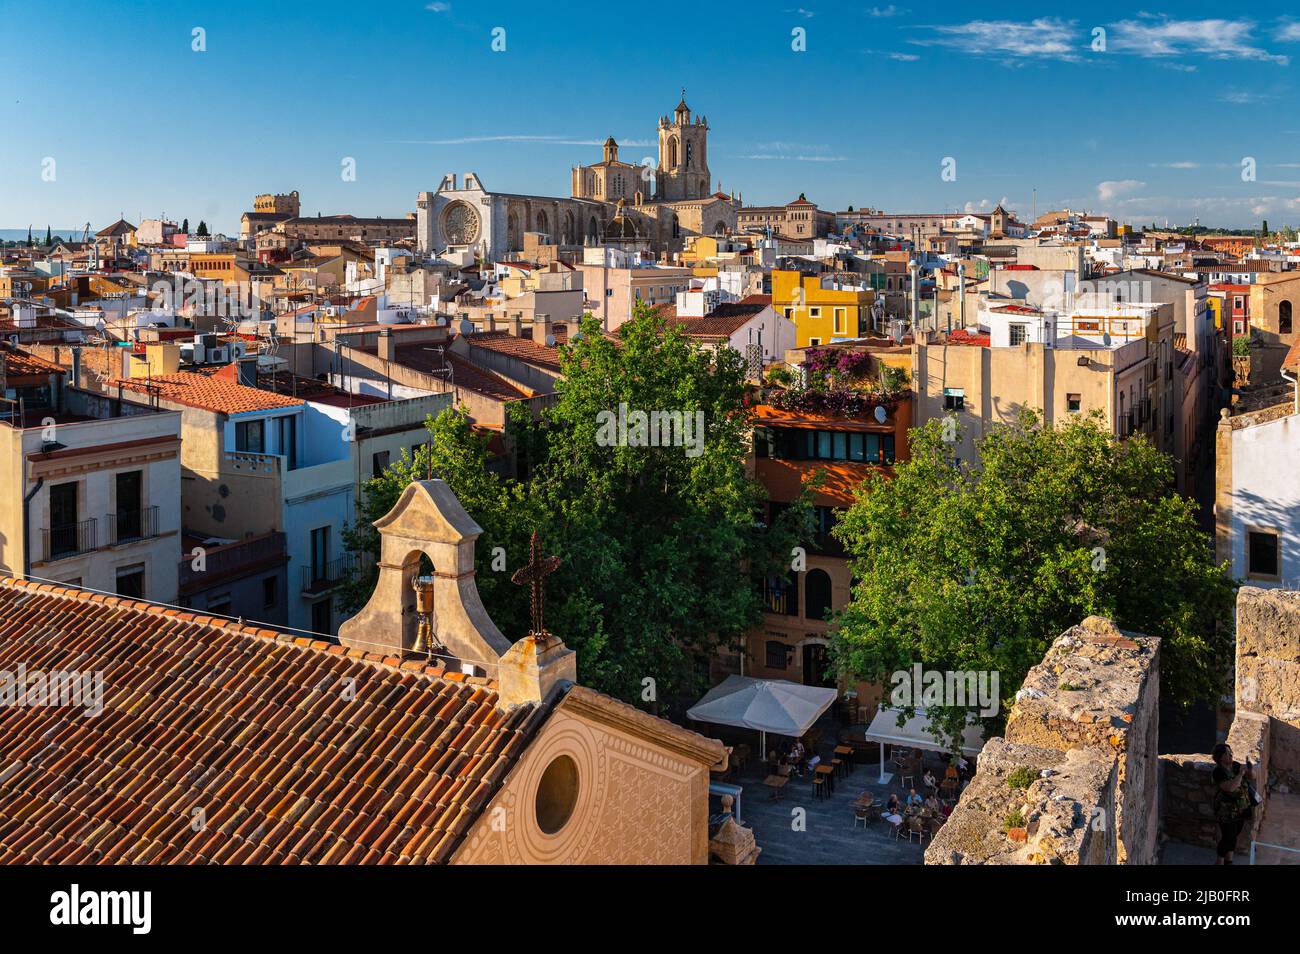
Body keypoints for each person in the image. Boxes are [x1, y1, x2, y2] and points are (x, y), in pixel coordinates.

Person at [1212, 743, 1255, 865]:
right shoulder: (1218, 772)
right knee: (1228, 837)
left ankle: (1229, 860)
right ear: (1220, 757)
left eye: (1230, 751)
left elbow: (1252, 776)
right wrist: (1240, 774)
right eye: (1226, 753)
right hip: (1226, 811)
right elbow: (1230, 787)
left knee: (1234, 835)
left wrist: (1250, 770)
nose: (1230, 754)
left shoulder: (1236, 765)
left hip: (1241, 808)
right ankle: (1219, 861)